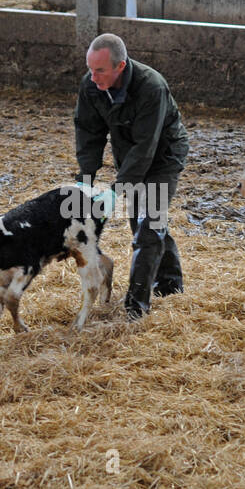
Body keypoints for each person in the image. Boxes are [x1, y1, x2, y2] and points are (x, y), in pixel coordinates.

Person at [74, 33, 189, 319]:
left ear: (120, 66)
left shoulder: (151, 87)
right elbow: (89, 132)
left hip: (163, 156)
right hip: (129, 153)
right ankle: (171, 285)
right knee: (147, 224)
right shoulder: (91, 86)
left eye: (100, 70)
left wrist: (116, 189)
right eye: (90, 68)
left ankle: (136, 307)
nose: (93, 76)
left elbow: (146, 146)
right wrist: (85, 178)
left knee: (148, 227)